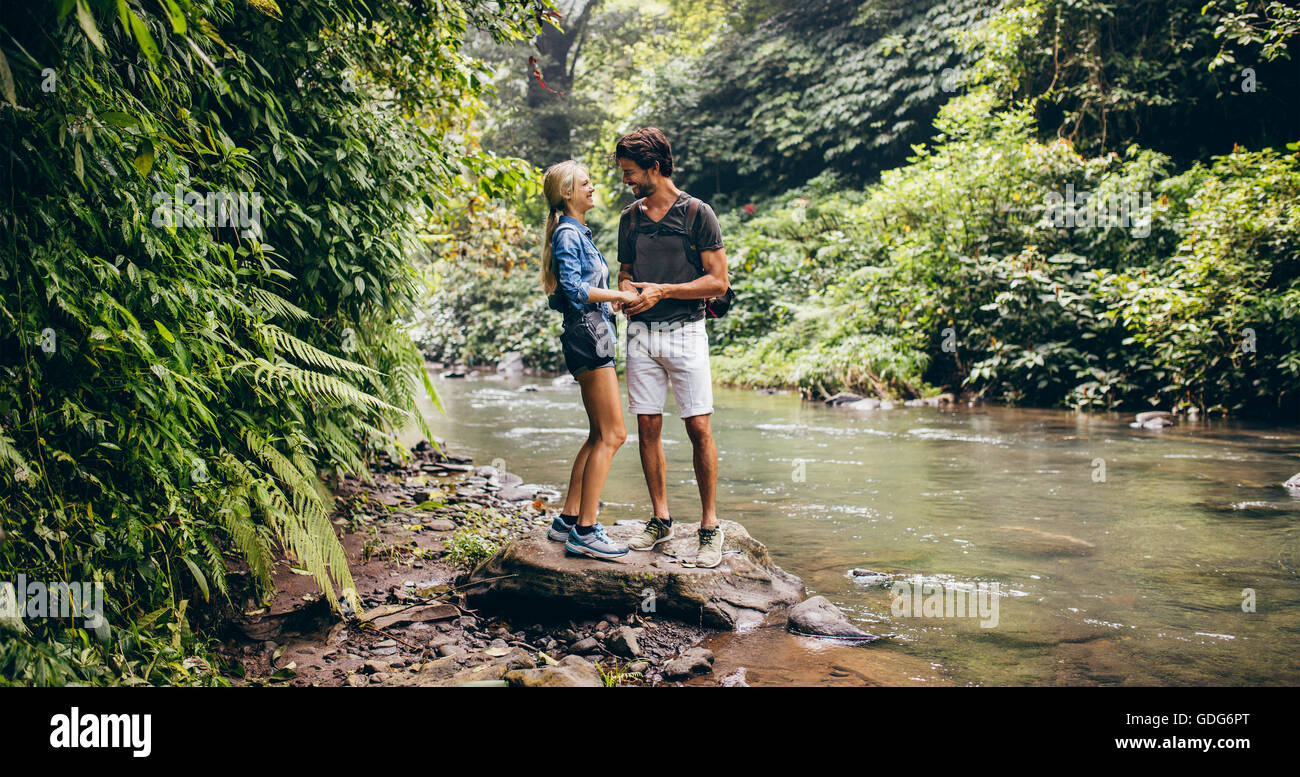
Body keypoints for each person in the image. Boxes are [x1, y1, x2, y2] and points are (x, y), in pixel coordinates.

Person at [612, 128, 731, 568]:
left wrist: (663, 291)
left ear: (655, 167)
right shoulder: (630, 218)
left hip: (686, 332)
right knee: (647, 427)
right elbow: (625, 272)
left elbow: (718, 281)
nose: (626, 180)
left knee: (698, 428)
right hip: (640, 334)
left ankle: (709, 527)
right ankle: (661, 519)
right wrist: (628, 292)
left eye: (630, 172)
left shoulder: (699, 213)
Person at [540, 160, 641, 560]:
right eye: (585, 183)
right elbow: (573, 289)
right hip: (588, 336)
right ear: (567, 193)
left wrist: (616, 300)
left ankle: (567, 519)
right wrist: (619, 297)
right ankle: (586, 530)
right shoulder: (568, 233)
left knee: (599, 434)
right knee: (614, 435)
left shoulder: (574, 231)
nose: (593, 187)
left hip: (590, 333)